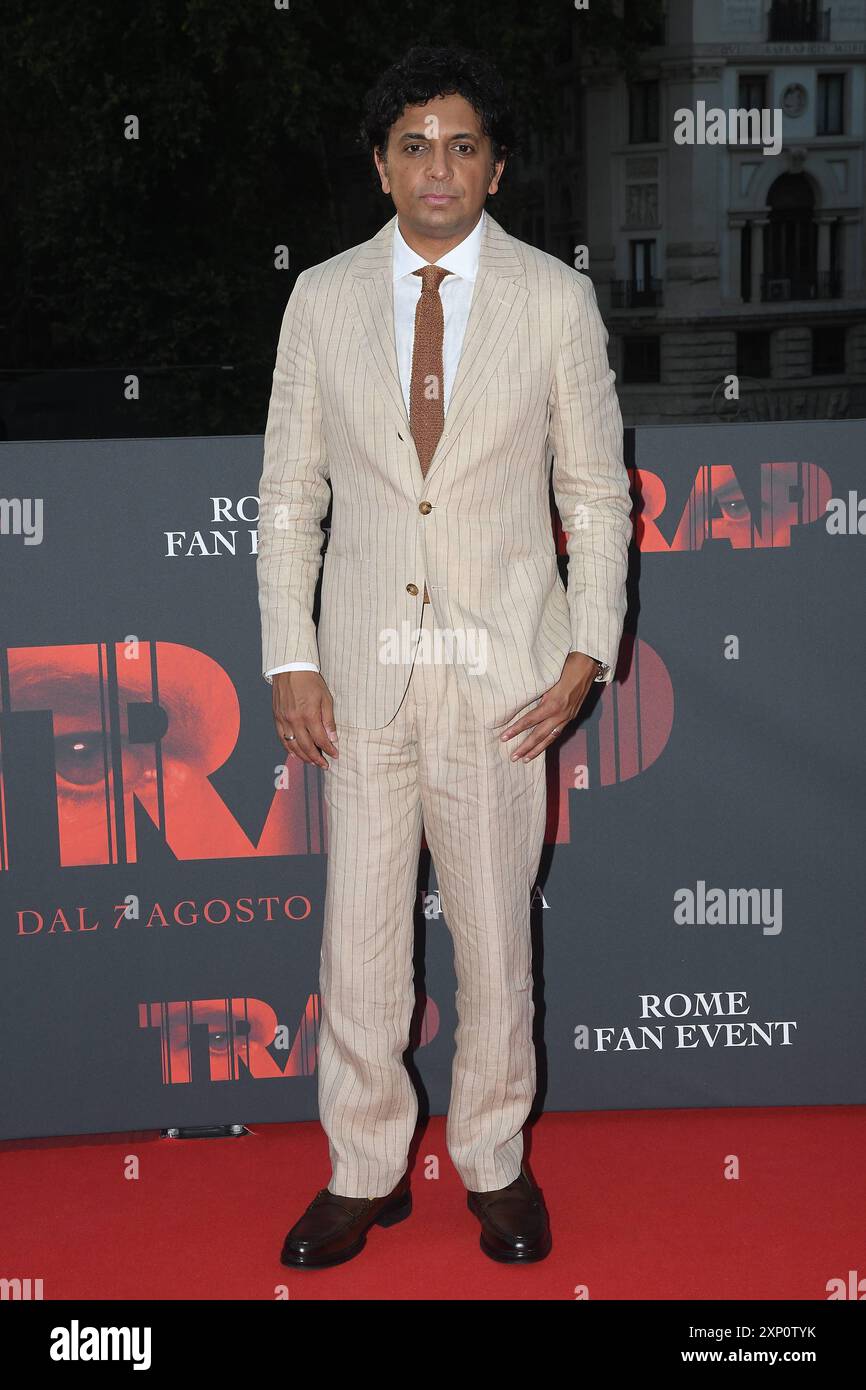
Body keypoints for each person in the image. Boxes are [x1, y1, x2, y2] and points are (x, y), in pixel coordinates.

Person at [256, 44, 632, 1268]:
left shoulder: (551, 299)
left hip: (503, 681)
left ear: (496, 166)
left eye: (461, 143)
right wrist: (287, 657)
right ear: (380, 165)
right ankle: (362, 1171)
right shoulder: (319, 298)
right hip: (360, 678)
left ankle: (494, 1163)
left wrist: (585, 646)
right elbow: (286, 501)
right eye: (413, 142)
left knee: (493, 940)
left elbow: (595, 491)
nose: (437, 164)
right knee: (357, 942)